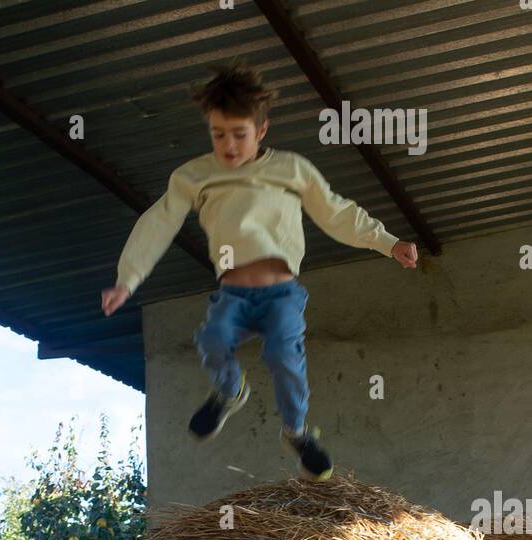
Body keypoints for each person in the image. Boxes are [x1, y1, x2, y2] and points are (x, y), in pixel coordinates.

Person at [101, 62, 419, 480]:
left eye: (240, 134)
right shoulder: (194, 176)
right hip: (232, 293)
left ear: (262, 129)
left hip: (281, 294)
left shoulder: (291, 169)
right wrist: (128, 278)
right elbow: (158, 223)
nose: (229, 146)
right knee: (213, 339)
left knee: (283, 355)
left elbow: (337, 212)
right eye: (218, 135)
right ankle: (229, 391)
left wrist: (388, 242)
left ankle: (297, 431)